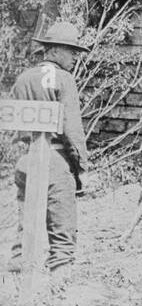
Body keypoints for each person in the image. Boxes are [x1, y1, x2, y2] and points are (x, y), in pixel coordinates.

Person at [9, 22, 93, 276]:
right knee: (63, 228)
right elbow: (72, 129)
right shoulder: (64, 80)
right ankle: (60, 290)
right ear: (54, 50)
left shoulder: (23, 78)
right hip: (55, 159)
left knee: (27, 224)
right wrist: (82, 167)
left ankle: (17, 284)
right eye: (70, 51)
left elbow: (16, 122)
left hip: (28, 158)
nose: (74, 58)